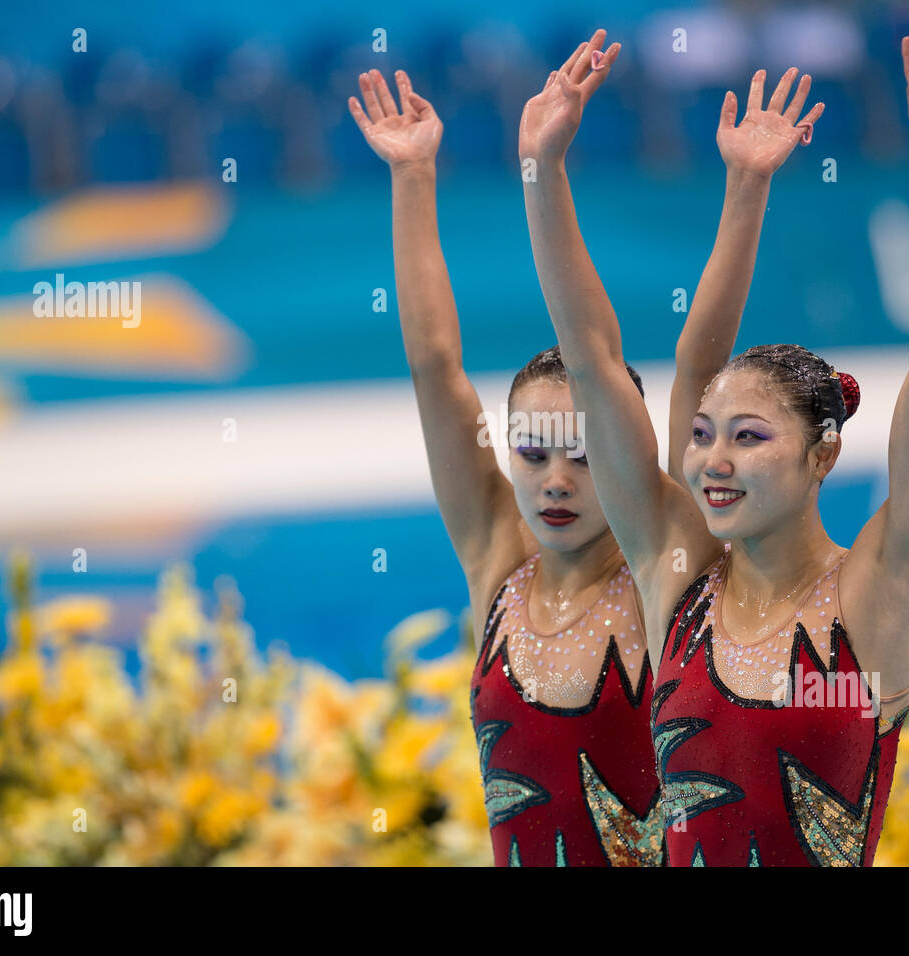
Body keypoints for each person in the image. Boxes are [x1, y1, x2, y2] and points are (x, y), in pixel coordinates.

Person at [519, 25, 909, 865]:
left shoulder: (878, 593)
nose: (712, 461)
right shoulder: (674, 575)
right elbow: (589, 355)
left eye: (749, 438)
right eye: (699, 437)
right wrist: (540, 170)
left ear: (822, 457)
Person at [346, 54, 818, 864]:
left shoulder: (668, 570)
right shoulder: (495, 556)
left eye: (584, 458)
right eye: (531, 456)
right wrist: (413, 175)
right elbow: (434, 365)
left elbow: (697, 363)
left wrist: (745, 191)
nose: (556, 480)